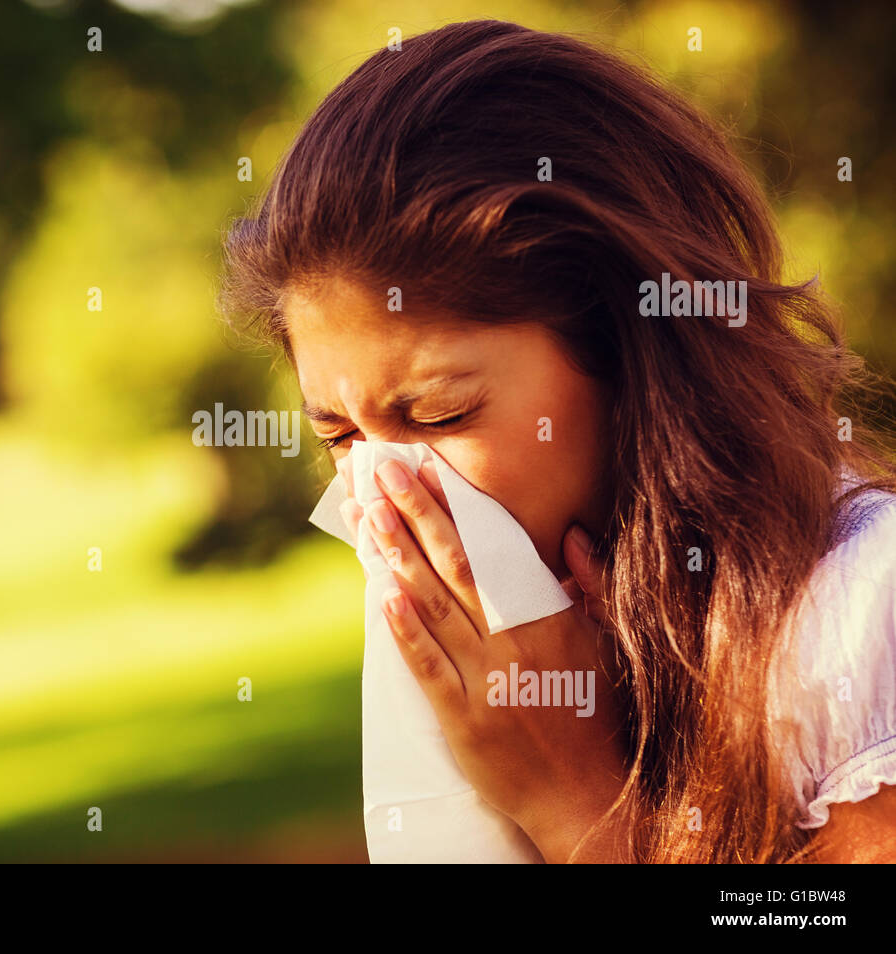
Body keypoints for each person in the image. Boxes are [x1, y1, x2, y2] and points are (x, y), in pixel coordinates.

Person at [217, 19, 896, 863]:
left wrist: (572, 802)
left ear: (626, 352)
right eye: (340, 434)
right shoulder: (496, 671)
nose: (384, 497)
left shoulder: (861, 620)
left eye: (438, 417)